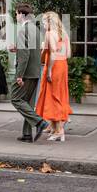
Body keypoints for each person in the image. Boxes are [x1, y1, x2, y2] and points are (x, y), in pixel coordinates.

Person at [8, 4, 47, 142]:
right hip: (35, 71)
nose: (16, 16)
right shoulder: (35, 29)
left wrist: (19, 75)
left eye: (17, 14)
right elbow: (31, 51)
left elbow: (25, 56)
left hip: (26, 72)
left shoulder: (23, 30)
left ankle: (39, 122)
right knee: (28, 102)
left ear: (22, 15)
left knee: (15, 98)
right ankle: (27, 134)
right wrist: (17, 49)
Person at [35, 11, 72, 141]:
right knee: (60, 95)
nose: (43, 24)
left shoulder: (50, 34)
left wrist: (49, 70)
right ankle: (54, 126)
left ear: (50, 23)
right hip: (63, 66)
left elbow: (52, 54)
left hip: (54, 66)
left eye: (44, 21)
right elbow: (67, 54)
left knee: (52, 97)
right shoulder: (64, 34)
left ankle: (59, 131)